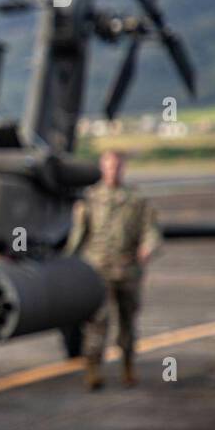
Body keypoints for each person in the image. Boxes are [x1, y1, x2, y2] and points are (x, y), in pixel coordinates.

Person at [65, 149, 162, 389]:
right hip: (98, 270)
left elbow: (152, 231)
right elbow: (77, 237)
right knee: (97, 322)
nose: (113, 171)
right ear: (102, 168)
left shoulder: (136, 201)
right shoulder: (90, 200)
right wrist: (66, 265)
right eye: (108, 166)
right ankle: (93, 370)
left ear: (123, 169)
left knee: (128, 322)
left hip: (128, 270)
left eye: (117, 166)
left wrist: (148, 248)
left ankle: (128, 366)